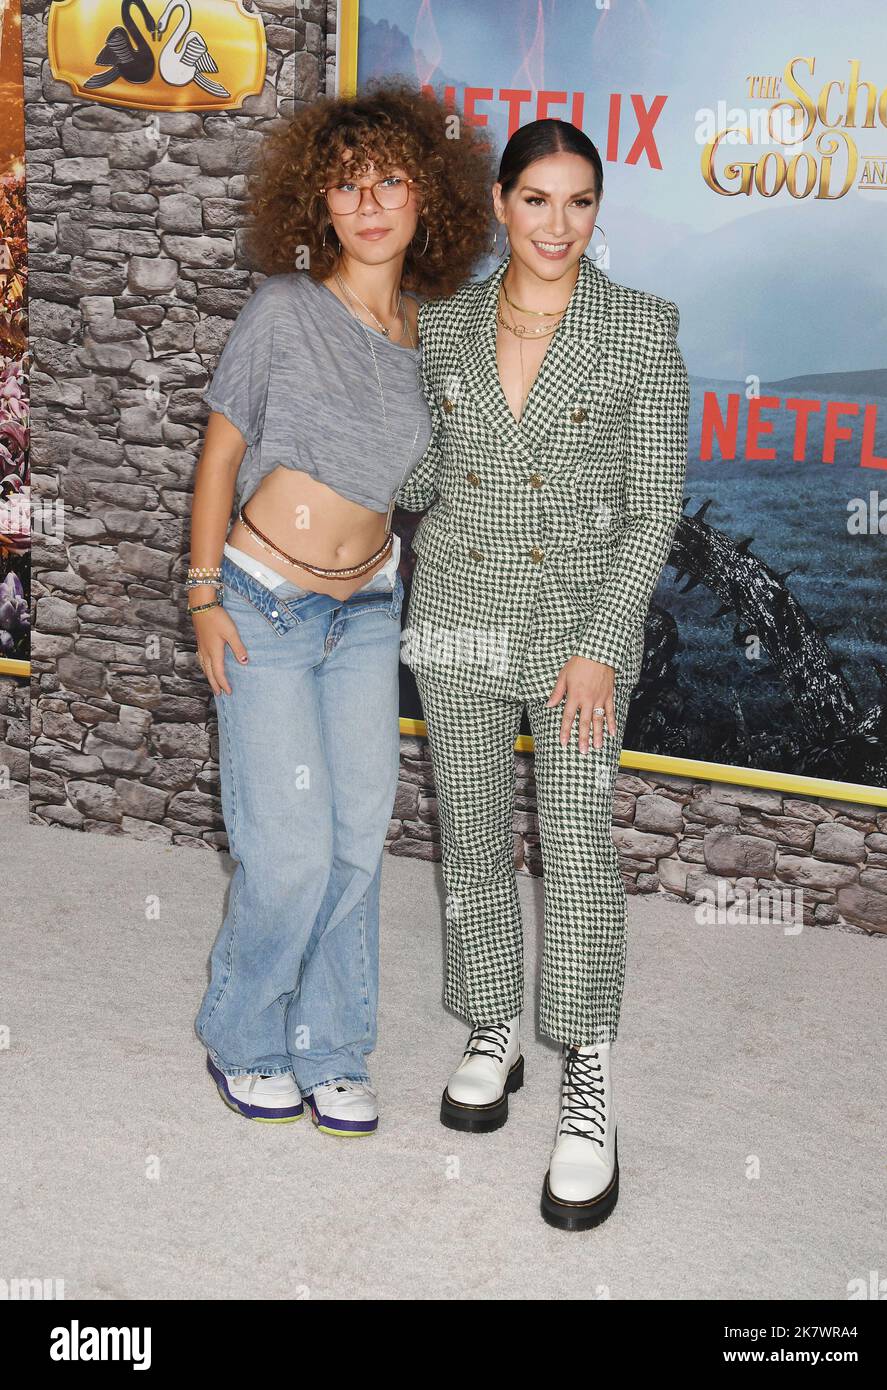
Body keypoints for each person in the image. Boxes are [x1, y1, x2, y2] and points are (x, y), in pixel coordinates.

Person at [396, 118, 690, 1227]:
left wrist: (601, 644)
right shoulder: (444, 326)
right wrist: (358, 412)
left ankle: (585, 1074)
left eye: (577, 202)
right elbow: (421, 477)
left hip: (576, 631)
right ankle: (488, 1025)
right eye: (535, 200)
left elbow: (653, 507)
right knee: (467, 825)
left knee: (572, 844)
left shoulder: (639, 329)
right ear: (501, 202)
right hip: (460, 614)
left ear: (595, 209)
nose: (556, 224)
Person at [188, 82, 493, 1135]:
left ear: (427, 201)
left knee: (358, 839)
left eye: (390, 182)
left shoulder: (435, 336)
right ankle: (242, 1032)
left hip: (366, 612)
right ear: (317, 203)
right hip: (261, 603)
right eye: (347, 184)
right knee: (289, 851)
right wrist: (198, 597)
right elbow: (220, 456)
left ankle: (329, 1046)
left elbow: (440, 475)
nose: (369, 204)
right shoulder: (281, 309)